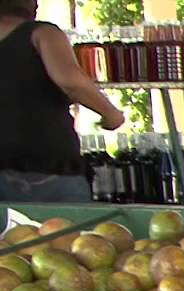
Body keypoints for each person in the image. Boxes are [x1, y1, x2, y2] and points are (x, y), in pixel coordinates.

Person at [0, 0, 125, 202]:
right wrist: (111, 115)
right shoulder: (42, 33)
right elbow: (71, 81)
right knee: (66, 231)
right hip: (46, 165)